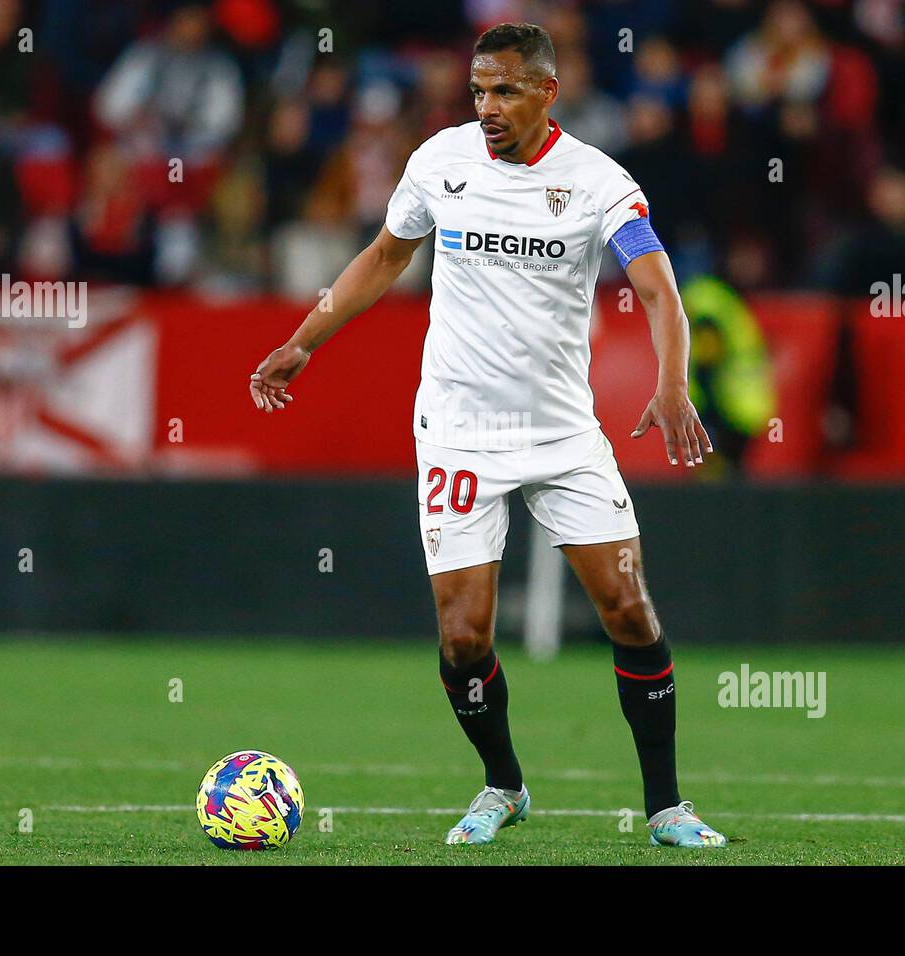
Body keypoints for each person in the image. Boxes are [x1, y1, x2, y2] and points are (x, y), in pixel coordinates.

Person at [249, 23, 726, 849]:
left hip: (564, 434)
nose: (487, 107)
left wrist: (672, 381)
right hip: (460, 431)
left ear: (547, 91)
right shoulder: (439, 162)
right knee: (463, 634)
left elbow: (657, 290)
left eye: (504, 91)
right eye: (477, 91)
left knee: (629, 610)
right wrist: (304, 339)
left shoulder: (598, 181)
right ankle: (502, 784)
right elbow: (384, 254)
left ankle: (667, 807)